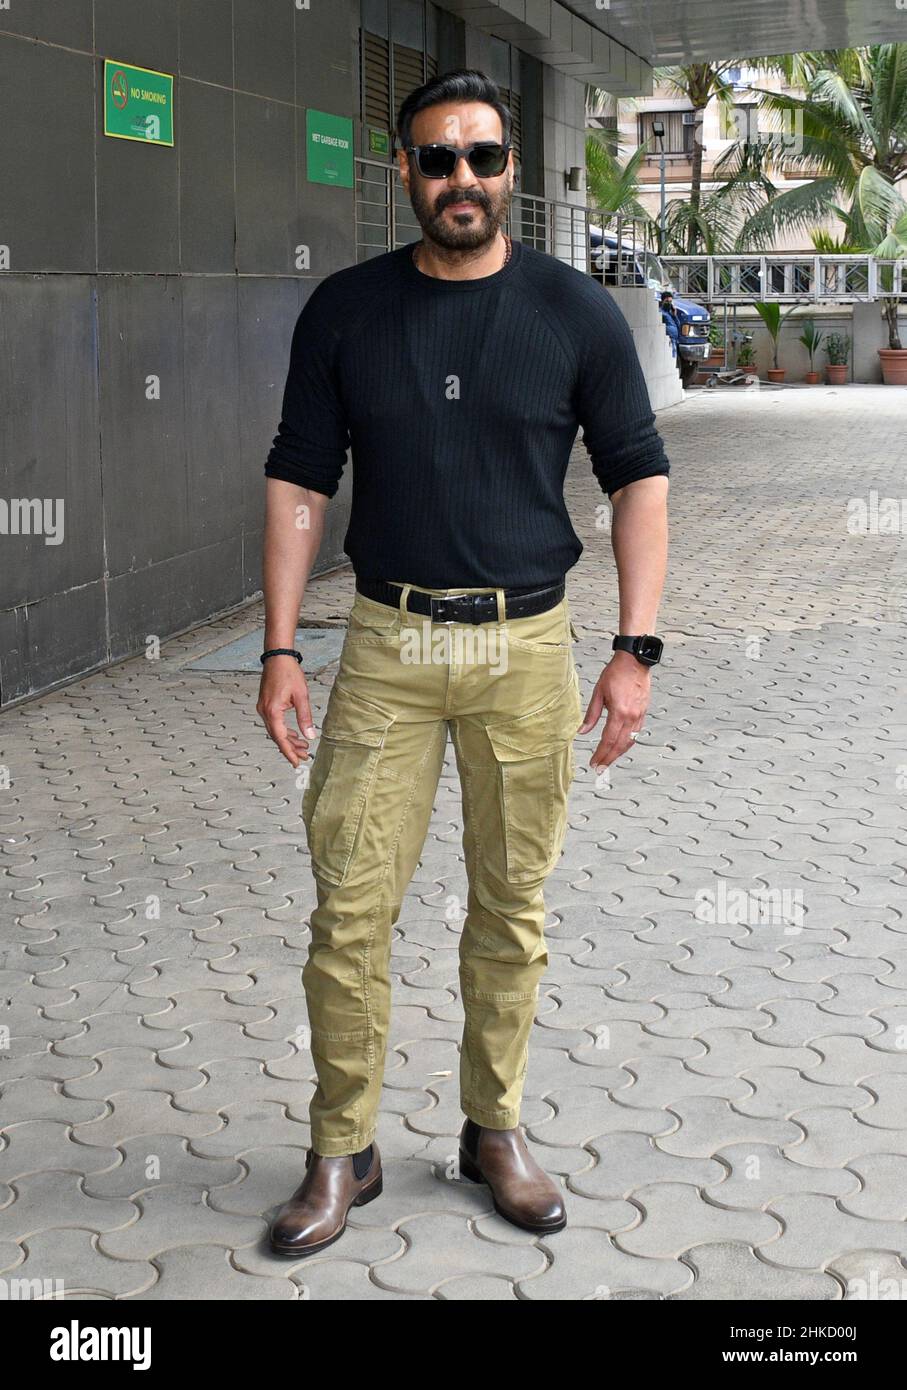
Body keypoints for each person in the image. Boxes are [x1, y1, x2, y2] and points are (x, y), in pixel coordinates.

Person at [258, 68, 670, 1257]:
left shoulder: (573, 313)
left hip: (527, 645)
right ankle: (344, 1146)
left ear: (509, 175)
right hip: (384, 644)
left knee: (511, 907)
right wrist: (282, 644)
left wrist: (634, 650)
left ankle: (494, 1131)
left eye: (483, 159)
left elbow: (638, 477)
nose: (462, 181)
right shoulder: (344, 311)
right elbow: (298, 475)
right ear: (405, 174)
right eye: (437, 160)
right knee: (350, 909)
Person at [660, 289, 680, 360]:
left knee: (674, 358)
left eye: (670, 302)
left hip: (674, 339)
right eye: (667, 301)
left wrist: (675, 315)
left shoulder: (671, 313)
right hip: (668, 339)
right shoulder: (661, 313)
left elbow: (678, 325)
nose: (669, 303)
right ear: (662, 301)